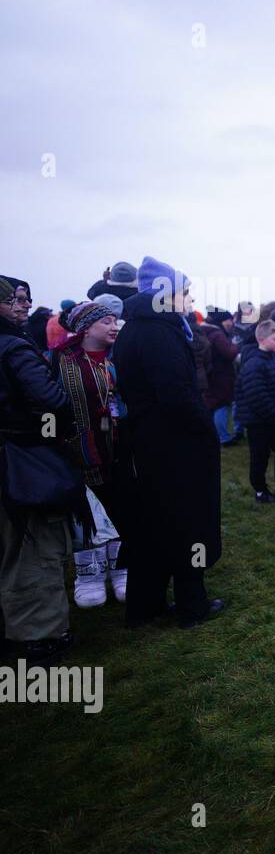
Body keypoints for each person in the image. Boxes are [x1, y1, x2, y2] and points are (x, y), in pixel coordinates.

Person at [112, 257, 225, 629]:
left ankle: (148, 606)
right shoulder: (159, 333)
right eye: (185, 292)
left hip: (151, 441)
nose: (190, 299)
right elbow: (176, 395)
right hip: (174, 444)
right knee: (186, 519)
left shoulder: (138, 328)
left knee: (157, 521)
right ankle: (193, 605)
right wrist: (205, 429)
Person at [0, 275, 77, 662]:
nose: (24, 306)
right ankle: (38, 636)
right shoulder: (14, 348)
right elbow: (51, 399)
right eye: (15, 299)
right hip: (21, 460)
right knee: (33, 546)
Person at [53, 302, 132, 606]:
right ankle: (89, 573)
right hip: (78, 452)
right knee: (86, 512)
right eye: (107, 322)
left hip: (115, 449)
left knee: (118, 505)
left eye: (116, 321)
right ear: (86, 327)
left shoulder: (112, 362)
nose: (114, 327)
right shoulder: (62, 361)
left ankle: (120, 568)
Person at [235, 320, 275, 505]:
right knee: (259, 456)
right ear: (261, 339)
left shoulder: (274, 360)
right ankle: (260, 491)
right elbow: (257, 396)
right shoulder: (254, 364)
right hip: (258, 422)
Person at [199, 308, 242, 446]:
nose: (231, 323)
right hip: (221, 375)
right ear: (223, 320)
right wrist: (236, 345)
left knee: (212, 405)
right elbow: (229, 353)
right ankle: (223, 437)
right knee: (221, 405)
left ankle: (212, 434)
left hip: (210, 373)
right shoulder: (217, 334)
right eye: (229, 320)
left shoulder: (203, 331)